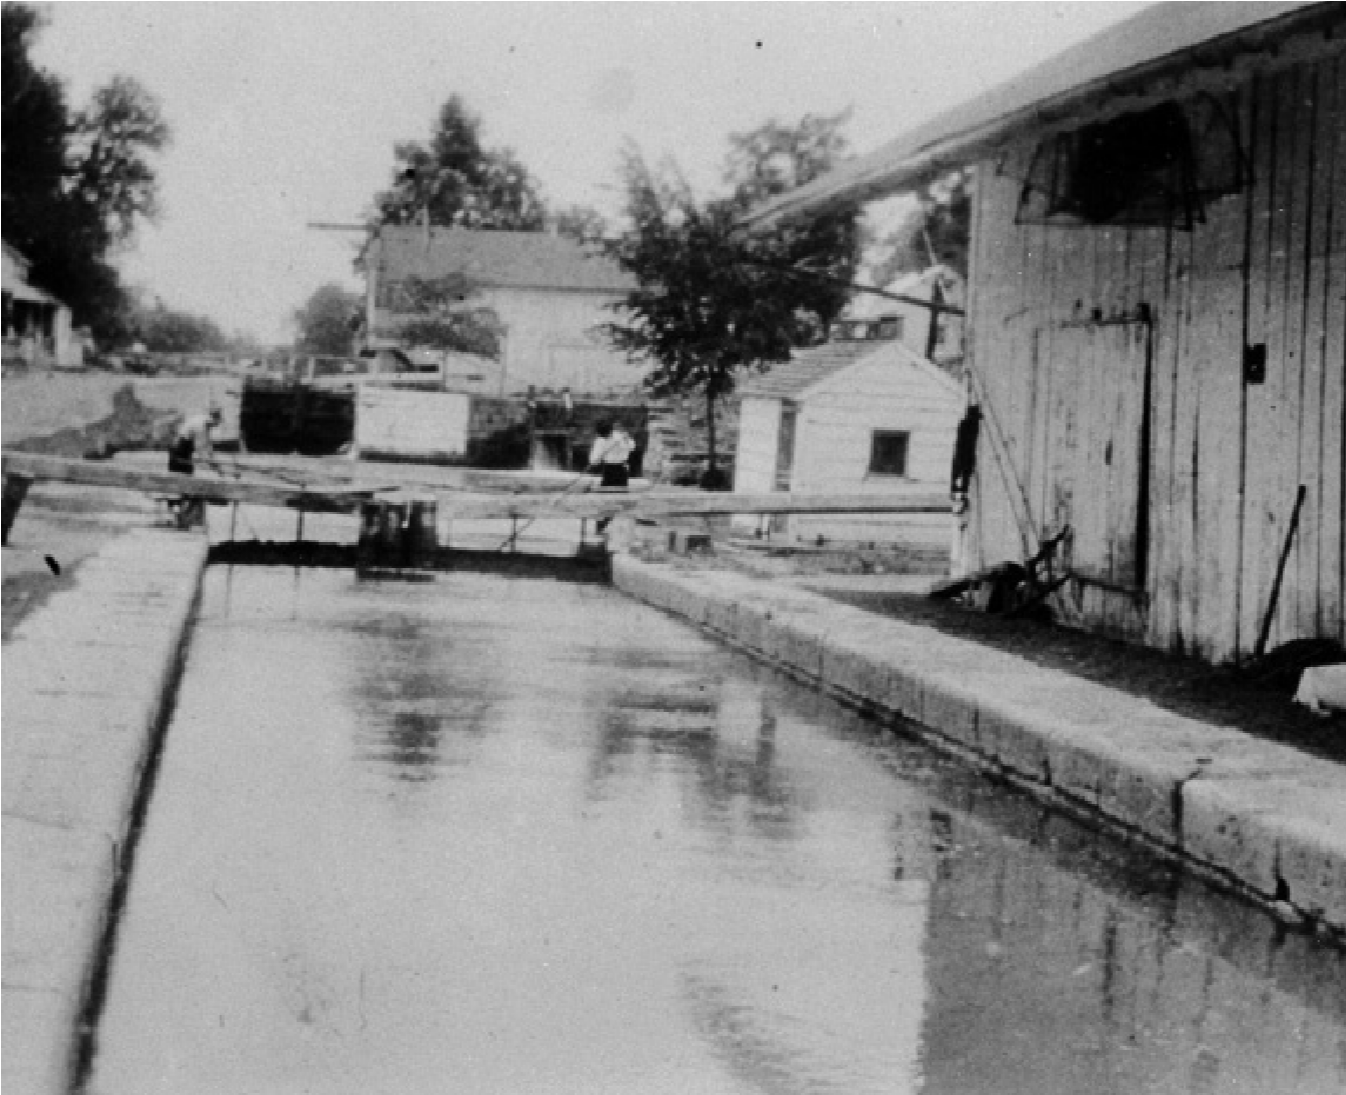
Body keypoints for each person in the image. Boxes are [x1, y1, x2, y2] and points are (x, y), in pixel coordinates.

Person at [167, 407, 221, 527]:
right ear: (212, 419)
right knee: (180, 484)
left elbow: (207, 445)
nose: (213, 427)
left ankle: (184, 516)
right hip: (178, 454)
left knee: (187, 482)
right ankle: (179, 516)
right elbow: (202, 448)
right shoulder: (200, 425)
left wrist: (214, 462)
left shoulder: (204, 422)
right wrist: (213, 466)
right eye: (214, 425)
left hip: (184, 454)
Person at [587, 420, 634, 489]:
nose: (605, 436)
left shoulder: (620, 436)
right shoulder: (599, 440)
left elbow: (631, 447)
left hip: (621, 467)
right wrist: (594, 461)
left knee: (621, 492)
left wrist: (626, 439)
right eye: (603, 435)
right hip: (608, 468)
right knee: (606, 491)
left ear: (610, 431)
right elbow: (594, 458)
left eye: (606, 434)